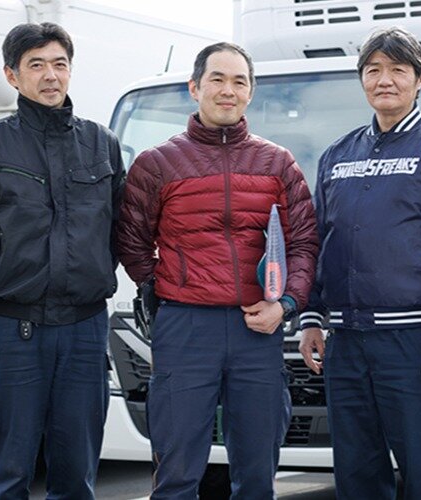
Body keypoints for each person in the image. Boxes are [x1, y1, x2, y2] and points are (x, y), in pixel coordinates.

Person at [116, 42, 318, 499]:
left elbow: (305, 242)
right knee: (177, 470)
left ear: (250, 92)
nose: (228, 90)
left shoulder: (278, 163)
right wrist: (165, 287)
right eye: (217, 79)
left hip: (258, 330)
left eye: (239, 81)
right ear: (195, 87)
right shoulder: (157, 163)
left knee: (257, 471)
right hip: (185, 328)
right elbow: (131, 240)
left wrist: (286, 304)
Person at [298, 27, 421, 499]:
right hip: (346, 342)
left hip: (415, 341)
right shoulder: (338, 155)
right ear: (362, 79)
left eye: (398, 70)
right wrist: (312, 316)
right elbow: (320, 240)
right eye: (373, 70)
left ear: (419, 79)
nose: (385, 80)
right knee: (356, 474)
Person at [0, 22, 125, 499]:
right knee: (9, 474)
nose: (50, 75)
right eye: (36, 65)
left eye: (59, 64)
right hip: (12, 332)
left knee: (77, 473)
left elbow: (120, 232)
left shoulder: (102, 143)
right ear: (12, 75)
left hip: (84, 332)